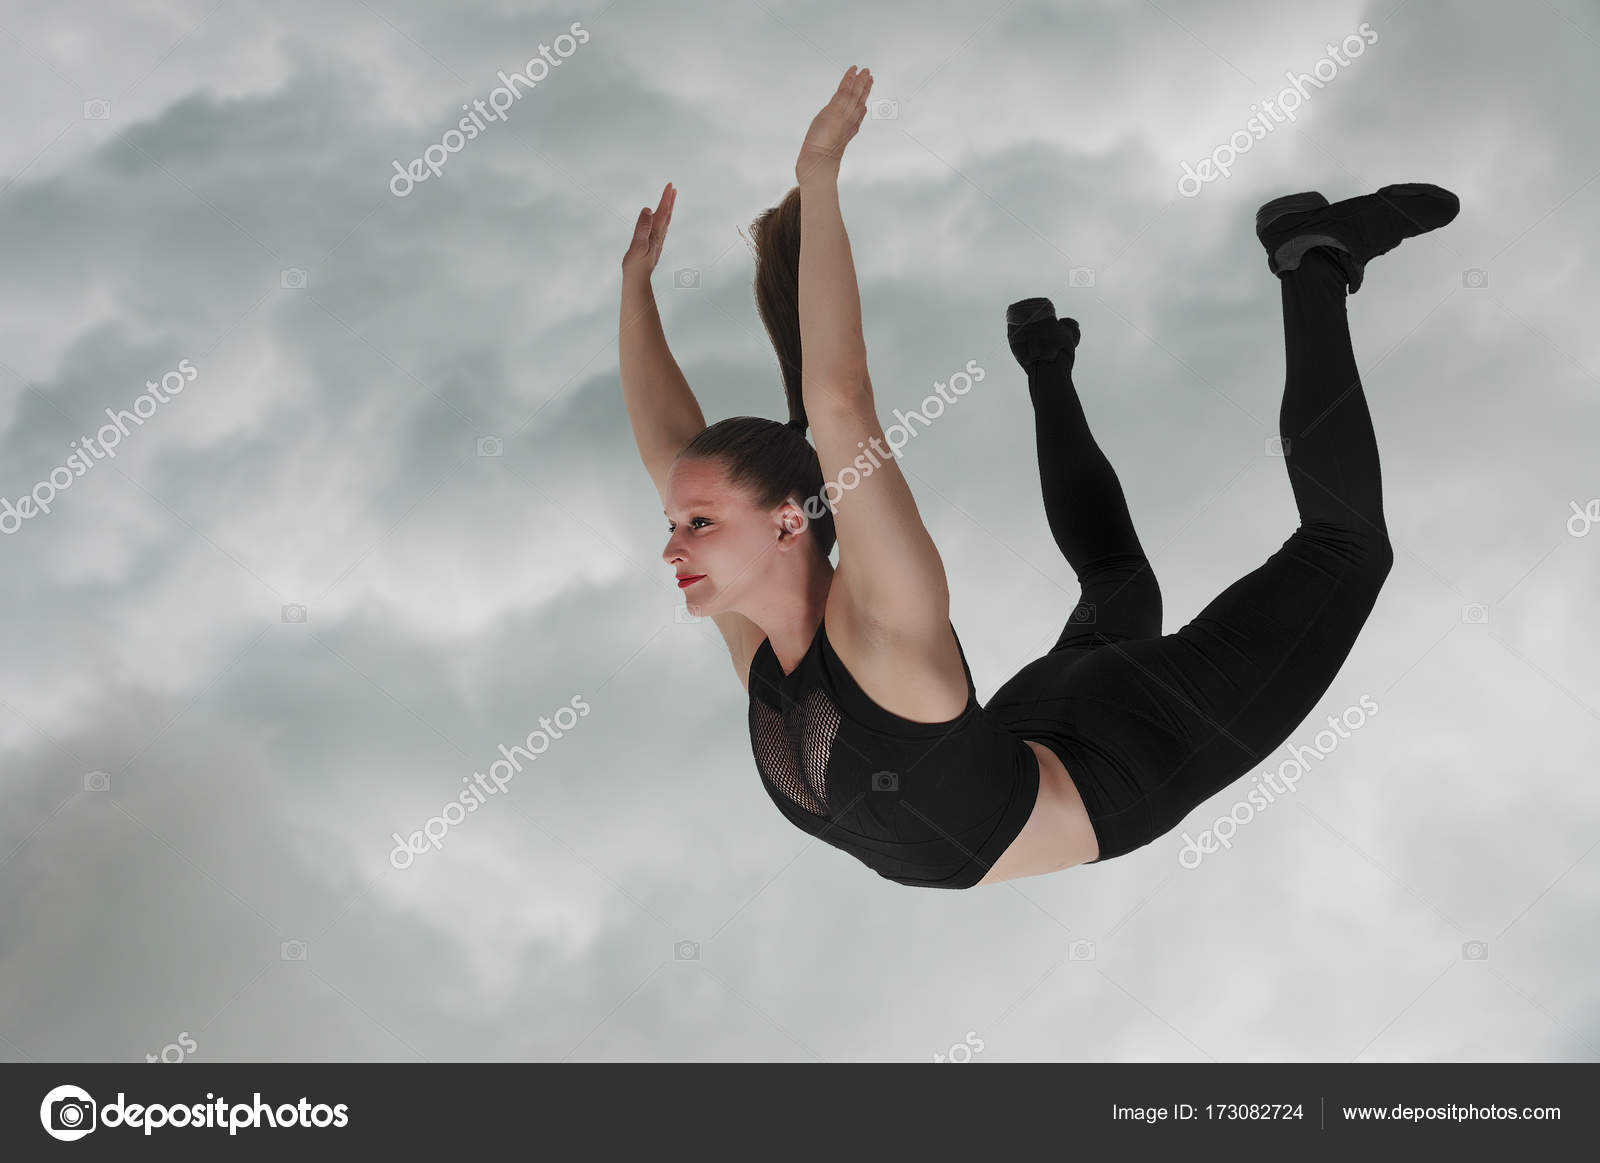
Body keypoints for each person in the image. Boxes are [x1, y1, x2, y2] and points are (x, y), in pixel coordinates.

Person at [618, 65, 1459, 889]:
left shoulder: (878, 622)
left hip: (1117, 753)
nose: (672, 547)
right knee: (1118, 576)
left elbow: (838, 401)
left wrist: (821, 176)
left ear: (788, 523)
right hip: (1057, 732)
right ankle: (1047, 362)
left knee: (1344, 549)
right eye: (679, 523)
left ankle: (1313, 260)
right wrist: (634, 295)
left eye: (694, 525)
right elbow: (672, 452)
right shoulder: (763, 647)